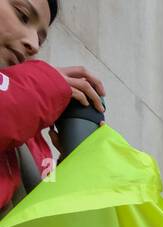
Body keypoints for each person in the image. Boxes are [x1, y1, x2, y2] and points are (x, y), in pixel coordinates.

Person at [0, 0, 107, 214]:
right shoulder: (35, 95)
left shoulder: (34, 143)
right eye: (22, 15)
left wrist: (71, 167)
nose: (34, 44)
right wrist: (43, 84)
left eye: (41, 38)